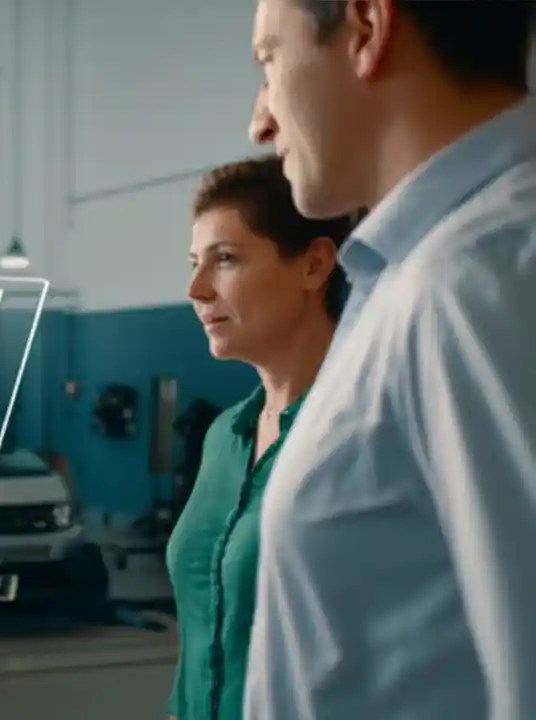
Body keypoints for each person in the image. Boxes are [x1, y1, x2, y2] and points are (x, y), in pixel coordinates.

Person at [243, 1, 536, 718]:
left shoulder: (476, 279)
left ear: (368, 31)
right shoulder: (413, 276)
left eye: (270, 61)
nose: (260, 122)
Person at [164, 155, 357, 720]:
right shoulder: (225, 436)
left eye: (225, 259)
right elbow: (198, 651)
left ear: (314, 265)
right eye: (195, 263)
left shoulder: (360, 433)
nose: (196, 289)